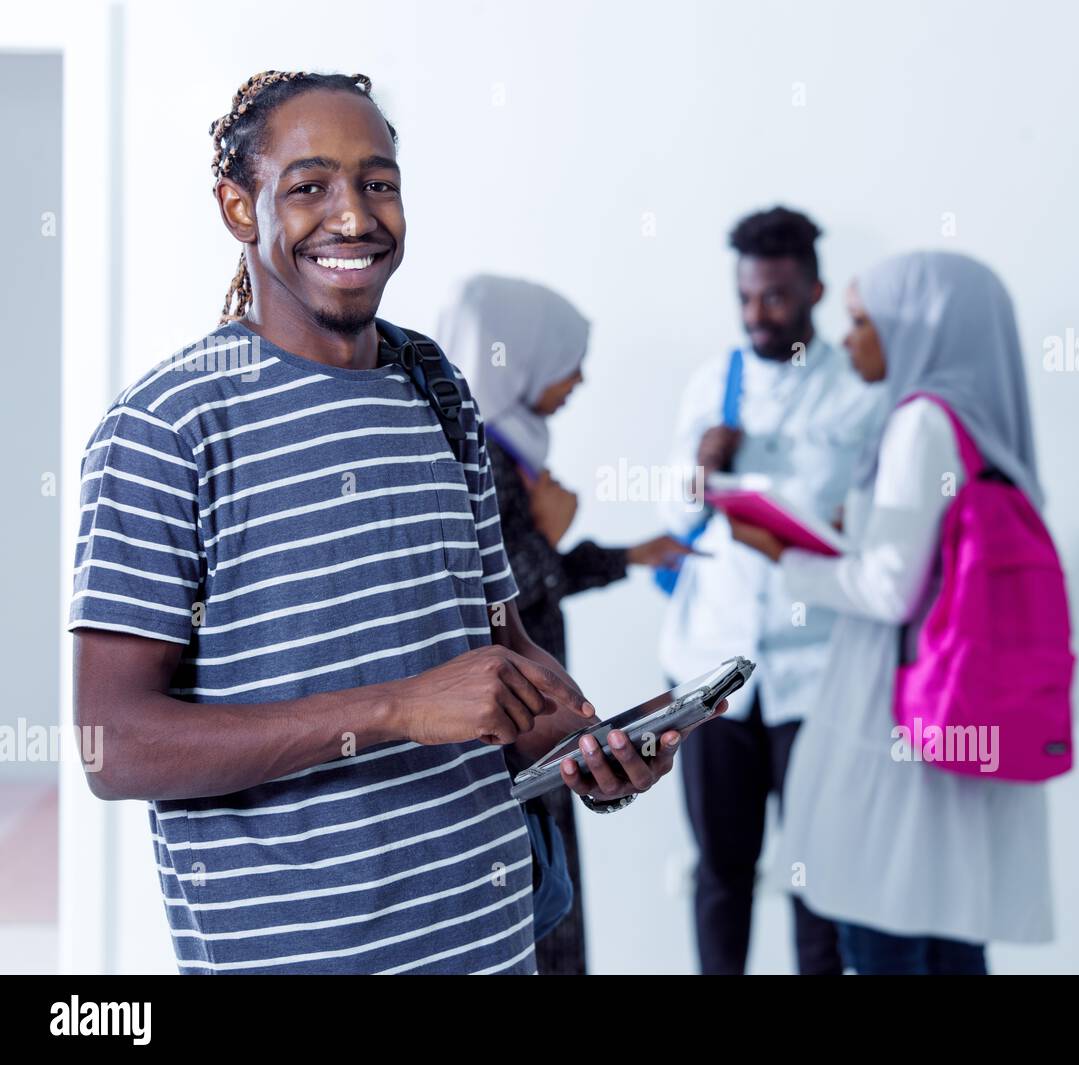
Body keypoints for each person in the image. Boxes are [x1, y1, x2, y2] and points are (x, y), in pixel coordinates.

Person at [66, 70, 718, 975]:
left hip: (496, 945)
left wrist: (586, 746)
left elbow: (501, 646)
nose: (353, 216)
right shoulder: (167, 429)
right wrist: (399, 708)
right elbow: (114, 744)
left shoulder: (436, 386)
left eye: (378, 182)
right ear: (237, 208)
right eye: (309, 187)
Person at [728, 250, 1055, 975]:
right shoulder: (981, 422)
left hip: (891, 711)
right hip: (954, 710)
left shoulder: (918, 423)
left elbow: (888, 590)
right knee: (948, 929)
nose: (847, 340)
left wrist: (785, 554)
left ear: (918, 326)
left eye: (861, 320)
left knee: (880, 928)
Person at [439, 273, 692, 975]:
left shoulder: (509, 450)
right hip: (505, 736)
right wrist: (556, 532)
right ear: (519, 352)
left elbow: (532, 581)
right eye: (566, 359)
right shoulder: (471, 454)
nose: (577, 379)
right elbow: (492, 595)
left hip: (538, 727)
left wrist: (627, 554)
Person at [658, 206, 882, 975]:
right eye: (747, 296)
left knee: (818, 877)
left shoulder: (857, 390)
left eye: (777, 297)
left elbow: (878, 529)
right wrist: (700, 464)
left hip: (817, 676)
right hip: (711, 665)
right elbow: (673, 520)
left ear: (815, 290)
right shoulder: (710, 384)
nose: (759, 314)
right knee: (720, 870)